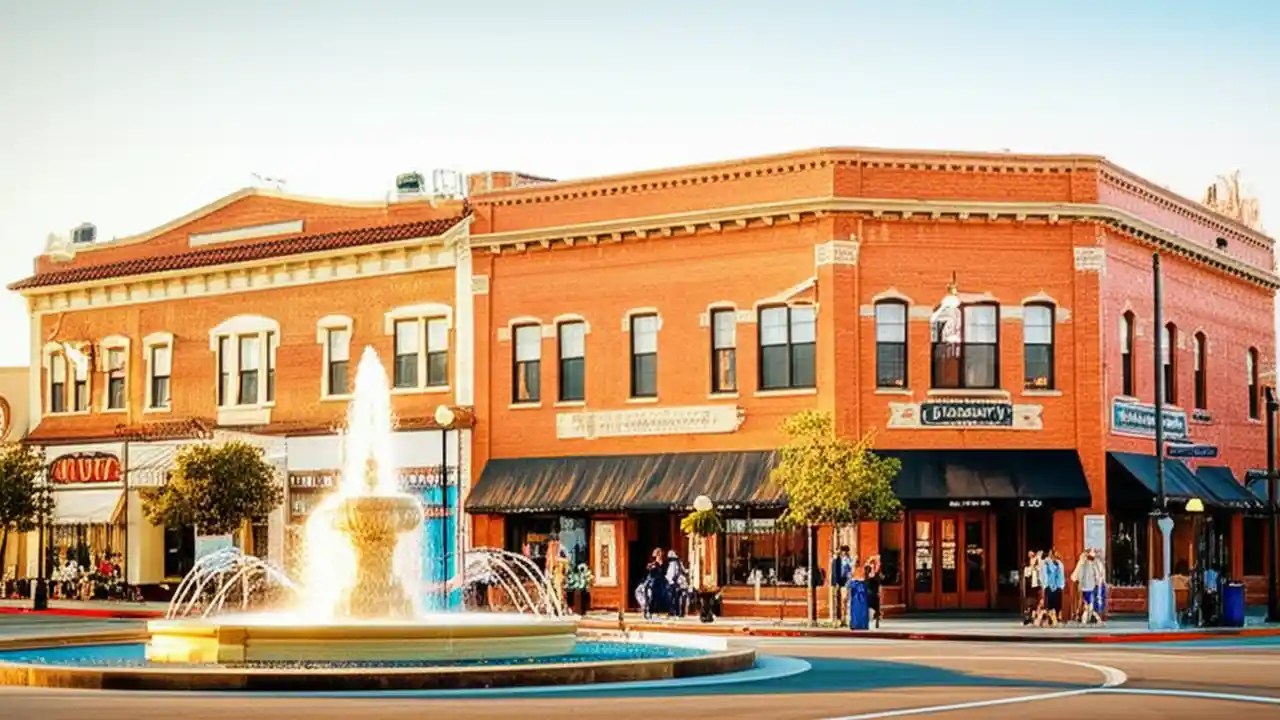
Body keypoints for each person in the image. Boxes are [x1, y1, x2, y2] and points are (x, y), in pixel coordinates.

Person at [1073, 548, 1105, 625]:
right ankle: (1086, 619)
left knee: (1089, 604)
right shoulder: (1084, 563)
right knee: (1088, 604)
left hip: (1090, 586)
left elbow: (1098, 574)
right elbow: (1080, 574)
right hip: (1087, 587)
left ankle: (1088, 618)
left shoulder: (1092, 563)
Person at [1039, 548, 1066, 626]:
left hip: (1057, 586)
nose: (1054, 556)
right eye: (1051, 554)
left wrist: (1061, 585)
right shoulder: (1046, 563)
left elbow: (1061, 575)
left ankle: (1056, 618)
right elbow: (1044, 574)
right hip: (1049, 586)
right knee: (1050, 604)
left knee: (1057, 604)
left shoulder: (1059, 563)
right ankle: (1050, 619)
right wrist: (1046, 585)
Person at [831, 546, 854, 622]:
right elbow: (834, 572)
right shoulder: (836, 559)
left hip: (845, 581)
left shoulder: (847, 560)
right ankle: (837, 617)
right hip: (838, 581)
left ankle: (844, 617)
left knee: (845, 599)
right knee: (837, 600)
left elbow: (850, 570)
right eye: (843, 551)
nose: (844, 553)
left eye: (845, 551)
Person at [1022, 550, 1042, 626]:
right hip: (1029, 587)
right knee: (1029, 602)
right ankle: (1028, 618)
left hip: (1036, 586)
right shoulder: (1027, 567)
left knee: (1036, 603)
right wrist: (1031, 568)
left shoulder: (1038, 567)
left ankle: (1034, 618)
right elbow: (1027, 575)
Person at [864, 555, 884, 628]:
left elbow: (879, 577)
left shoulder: (876, 574)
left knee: (876, 605)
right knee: (874, 605)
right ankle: (876, 617)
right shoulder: (868, 571)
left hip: (873, 593)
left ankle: (877, 618)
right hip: (871, 593)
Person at [664, 550, 686, 618]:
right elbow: (684, 571)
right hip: (678, 582)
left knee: (672, 598)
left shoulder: (673, 564)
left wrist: (669, 579)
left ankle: (673, 612)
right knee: (676, 598)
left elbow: (672, 574)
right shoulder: (679, 562)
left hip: (673, 582)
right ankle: (677, 612)